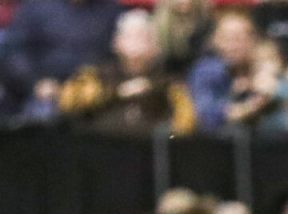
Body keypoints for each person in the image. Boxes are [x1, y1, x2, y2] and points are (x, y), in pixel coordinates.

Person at [59, 10, 196, 131]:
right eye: (130, 36)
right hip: (99, 150)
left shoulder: (169, 84)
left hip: (150, 154)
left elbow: (186, 126)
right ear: (116, 42)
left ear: (157, 47)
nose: (136, 44)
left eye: (143, 37)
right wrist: (118, 93)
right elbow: (68, 104)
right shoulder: (97, 76)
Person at [0, 0, 123, 119]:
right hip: (48, 88)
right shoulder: (36, 6)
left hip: (97, 87)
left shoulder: (110, 9)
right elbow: (14, 52)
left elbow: (119, 50)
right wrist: (35, 84)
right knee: (42, 116)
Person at [187, 9, 288, 130]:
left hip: (269, 142)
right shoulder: (207, 70)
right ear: (216, 41)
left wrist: (274, 89)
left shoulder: (264, 66)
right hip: (219, 142)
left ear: (253, 41)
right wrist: (251, 106)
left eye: (240, 38)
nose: (233, 46)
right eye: (227, 39)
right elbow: (208, 116)